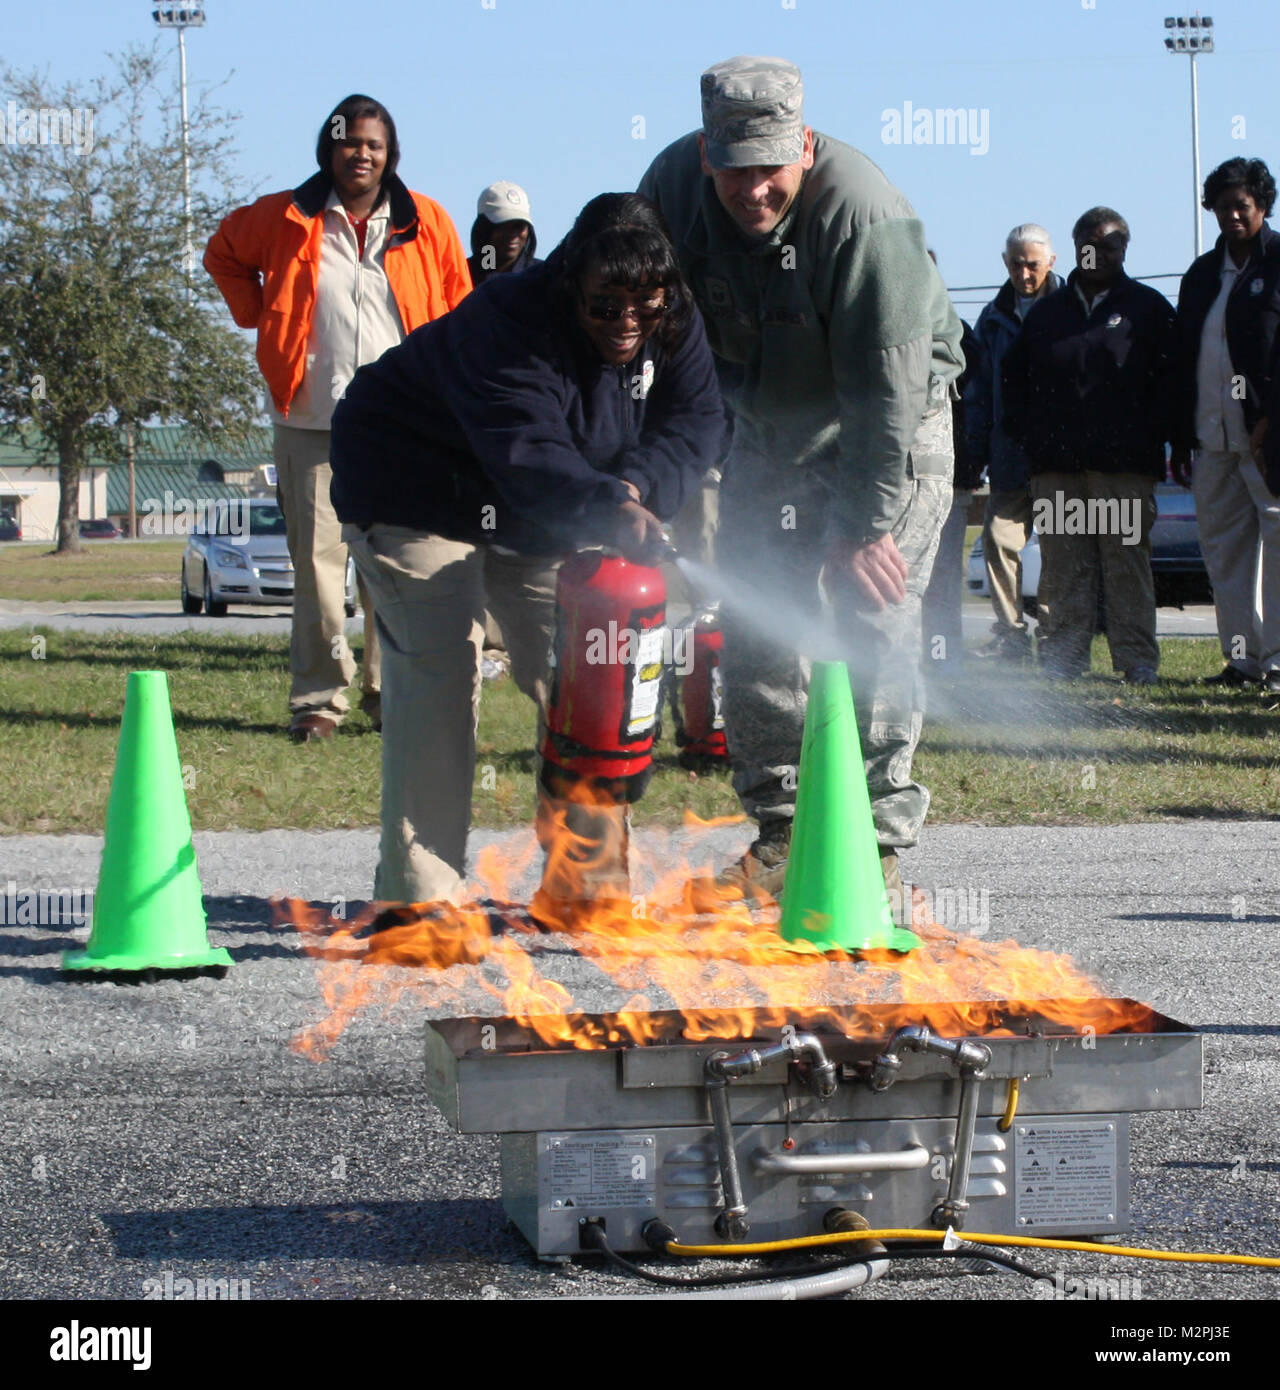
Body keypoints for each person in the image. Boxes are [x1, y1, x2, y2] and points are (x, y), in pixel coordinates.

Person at [329, 193, 725, 906]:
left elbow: (698, 420)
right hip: (415, 484)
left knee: (593, 669)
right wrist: (611, 504)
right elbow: (529, 452)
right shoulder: (510, 319)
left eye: (648, 303)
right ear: (571, 279)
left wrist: (635, 484)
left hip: (546, 506)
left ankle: (585, 889)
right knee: (440, 673)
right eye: (607, 304)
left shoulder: (673, 318)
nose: (629, 322)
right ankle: (422, 903)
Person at [639, 56, 964, 907]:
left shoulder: (865, 215)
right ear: (706, 156)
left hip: (891, 425)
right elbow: (637, 331)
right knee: (755, 615)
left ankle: (879, 849)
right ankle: (784, 836)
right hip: (768, 431)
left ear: (806, 147)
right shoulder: (668, 192)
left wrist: (863, 524)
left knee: (874, 612)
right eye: (735, 169)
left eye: (771, 168)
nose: (753, 190)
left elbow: (889, 390)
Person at [203, 94, 471, 742]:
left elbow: (461, 306)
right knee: (318, 567)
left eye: (374, 145)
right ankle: (319, 700)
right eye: (350, 142)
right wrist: (258, 313)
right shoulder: (282, 217)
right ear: (329, 149)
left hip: (400, 423)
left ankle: (390, 693)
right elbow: (222, 253)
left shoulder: (427, 221)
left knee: (394, 563)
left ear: (391, 154)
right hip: (309, 419)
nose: (362, 154)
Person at [1002, 207, 1176, 684]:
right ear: (1076, 246)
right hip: (1058, 468)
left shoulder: (1148, 308)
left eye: (1112, 244)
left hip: (1121, 468)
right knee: (1063, 564)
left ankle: (1136, 661)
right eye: (1091, 244)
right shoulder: (1047, 314)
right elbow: (1014, 381)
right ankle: (1063, 658)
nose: (1100, 253)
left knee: (1124, 563)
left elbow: (1172, 383)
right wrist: (1030, 438)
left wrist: (1160, 438)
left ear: (1126, 249)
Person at [1171, 157, 1280, 696]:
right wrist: (1179, 430)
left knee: (1278, 547)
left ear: (1262, 205)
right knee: (1223, 552)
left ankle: (1279, 664)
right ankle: (1244, 662)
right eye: (1223, 205)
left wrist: (1268, 418)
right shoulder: (1200, 274)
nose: (1233, 214)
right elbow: (1181, 355)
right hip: (1210, 437)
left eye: (1243, 205)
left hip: (1269, 440)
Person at [964, 225, 1063, 659]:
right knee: (999, 541)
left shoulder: (1070, 308)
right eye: (1016, 263)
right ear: (1006, 263)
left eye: (1033, 264)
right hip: (1008, 455)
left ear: (1051, 263)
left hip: (1059, 456)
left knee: (1060, 548)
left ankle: (1056, 633)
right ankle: (1010, 633)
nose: (1025, 273)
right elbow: (981, 389)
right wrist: (978, 449)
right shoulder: (993, 316)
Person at [467, 180, 540, 287]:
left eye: (519, 226)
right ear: (484, 228)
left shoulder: (543, 278)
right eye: (503, 226)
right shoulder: (462, 276)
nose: (512, 234)